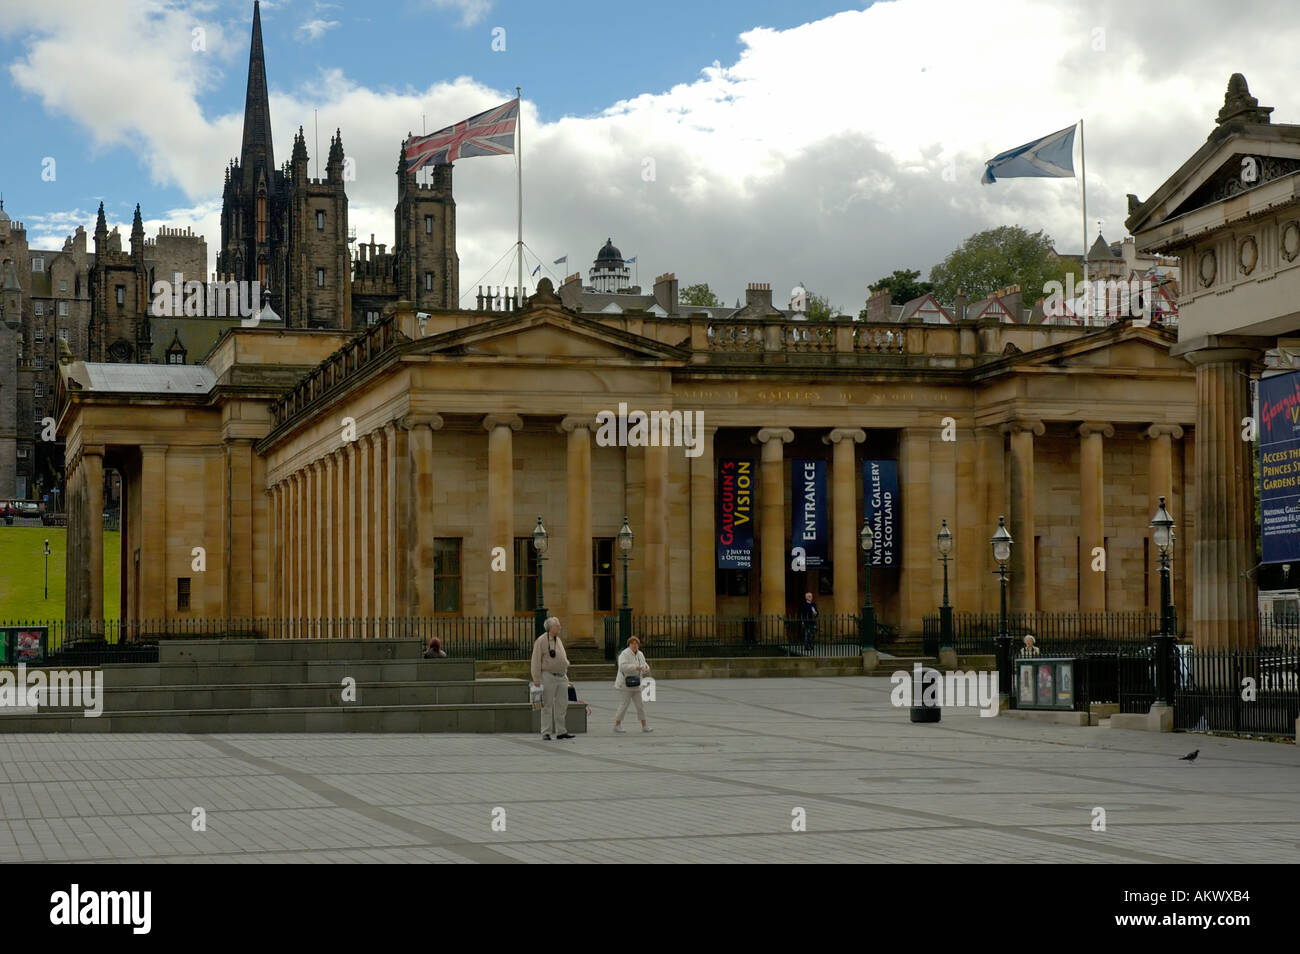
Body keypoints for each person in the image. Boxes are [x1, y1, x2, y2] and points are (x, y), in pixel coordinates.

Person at [530, 617, 572, 741]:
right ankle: (546, 732)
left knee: (562, 704)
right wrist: (536, 678)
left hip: (561, 676)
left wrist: (566, 675)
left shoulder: (558, 639)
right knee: (547, 705)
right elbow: (535, 660)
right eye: (557, 626)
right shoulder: (541, 640)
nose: (559, 627)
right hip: (548, 676)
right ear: (550, 627)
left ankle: (561, 731)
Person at [613, 636, 653, 733]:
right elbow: (622, 667)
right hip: (625, 684)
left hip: (637, 683)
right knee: (624, 704)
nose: (634, 645)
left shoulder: (640, 654)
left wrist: (646, 668)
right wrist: (636, 667)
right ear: (629, 645)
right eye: (632, 643)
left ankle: (644, 725)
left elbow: (644, 664)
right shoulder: (624, 654)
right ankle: (617, 725)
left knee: (640, 705)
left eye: (636, 644)